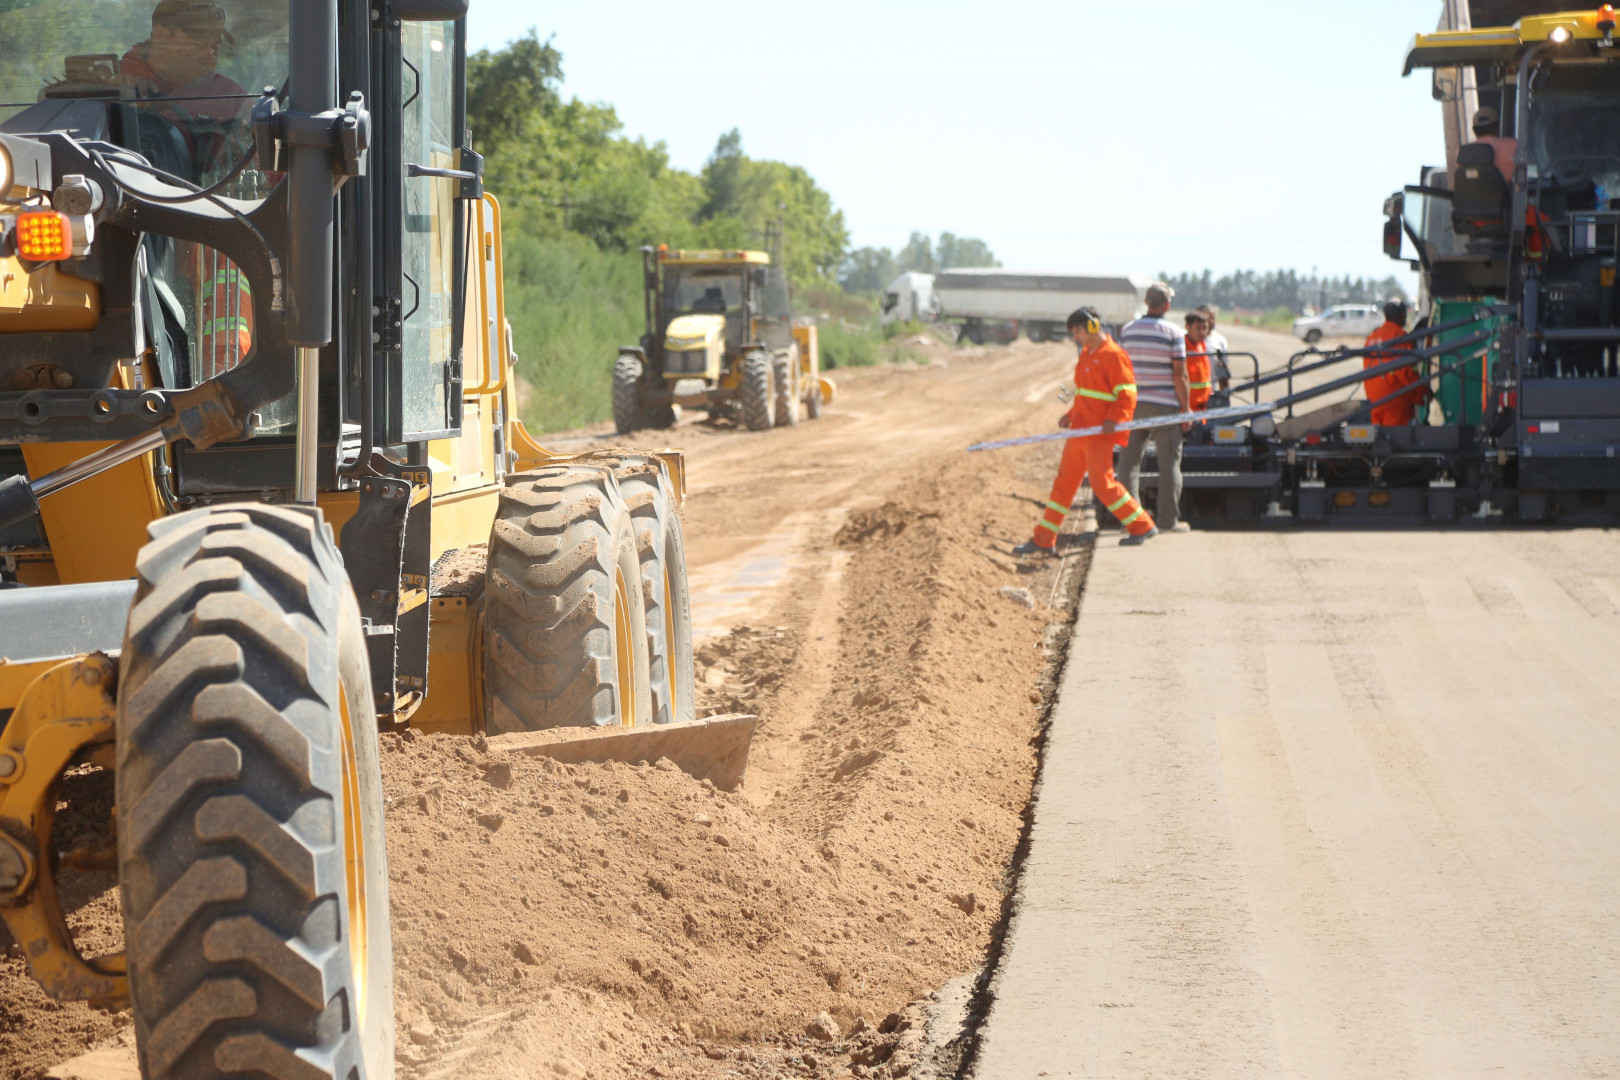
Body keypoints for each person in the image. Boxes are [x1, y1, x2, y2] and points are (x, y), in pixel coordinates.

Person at [1014, 307, 1157, 554]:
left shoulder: (1114, 355)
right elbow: (1085, 394)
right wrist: (1070, 416)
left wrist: (1114, 420)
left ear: (1092, 326)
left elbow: (1127, 395)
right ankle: (1043, 539)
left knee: (1104, 486)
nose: (1075, 337)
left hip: (1098, 435)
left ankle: (1142, 525)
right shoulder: (1088, 355)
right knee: (1064, 484)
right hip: (1079, 432)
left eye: (1077, 331)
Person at [1117, 282, 1190, 532]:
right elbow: (1180, 376)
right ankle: (1168, 521)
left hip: (1132, 406)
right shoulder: (1174, 332)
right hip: (1165, 408)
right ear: (1167, 304)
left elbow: (1121, 369)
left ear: (1147, 303)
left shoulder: (1127, 331)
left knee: (1128, 465)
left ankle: (1132, 520)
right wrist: (1186, 408)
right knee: (1169, 465)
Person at [1362, 299, 1428, 426]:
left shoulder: (1372, 338)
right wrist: (1423, 391)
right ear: (1403, 316)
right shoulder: (1400, 337)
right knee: (1396, 441)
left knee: (1378, 439)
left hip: (1374, 399)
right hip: (1395, 401)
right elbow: (1406, 373)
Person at [1469, 105, 1517, 182]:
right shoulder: (1514, 145)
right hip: (1507, 193)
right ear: (1497, 126)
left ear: (1474, 130)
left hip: (1473, 193)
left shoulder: (1463, 152)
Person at [1198, 304, 1232, 394]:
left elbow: (1223, 370)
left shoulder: (1220, 341)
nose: (1211, 321)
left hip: (1212, 392)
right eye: (1208, 318)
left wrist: (1225, 394)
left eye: (1213, 318)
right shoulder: (1188, 339)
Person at [1184, 311, 1212, 412]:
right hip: (1187, 409)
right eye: (1198, 328)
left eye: (1205, 328)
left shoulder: (1202, 346)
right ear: (1188, 327)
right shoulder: (1182, 348)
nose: (1202, 332)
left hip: (1203, 407)